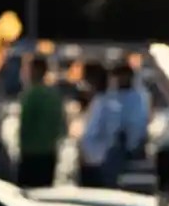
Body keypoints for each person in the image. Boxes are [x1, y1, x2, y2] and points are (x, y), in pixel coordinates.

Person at [17, 55, 67, 188]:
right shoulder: (54, 95)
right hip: (49, 152)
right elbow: (62, 126)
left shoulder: (31, 95)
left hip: (30, 154)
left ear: (33, 71)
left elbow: (25, 126)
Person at [77, 61, 123, 188]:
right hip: (92, 163)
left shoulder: (106, 105)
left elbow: (102, 136)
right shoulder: (96, 103)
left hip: (98, 165)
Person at [112, 60, 150, 163]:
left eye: (123, 77)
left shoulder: (139, 97)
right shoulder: (110, 97)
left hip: (134, 144)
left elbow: (141, 121)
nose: (121, 80)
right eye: (118, 77)